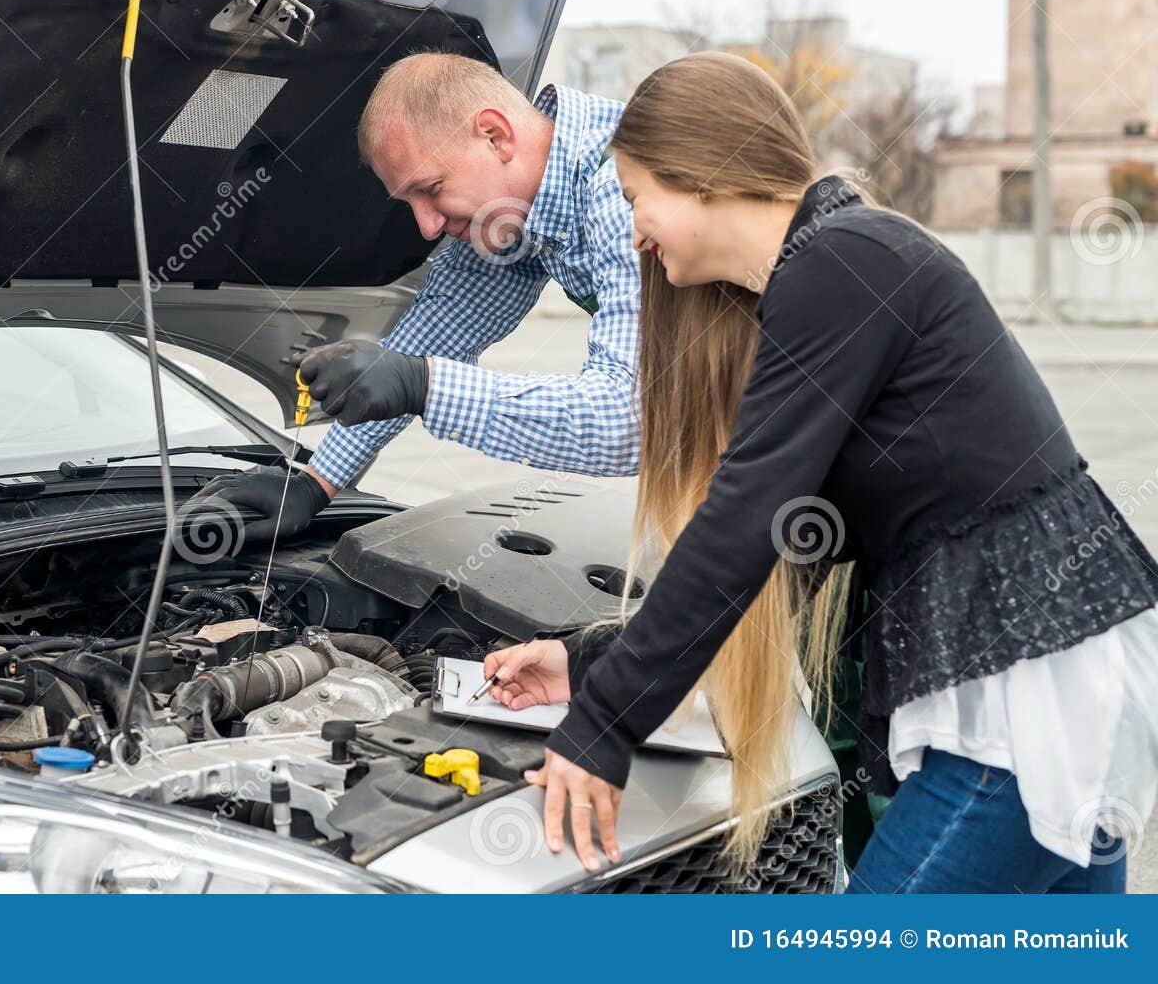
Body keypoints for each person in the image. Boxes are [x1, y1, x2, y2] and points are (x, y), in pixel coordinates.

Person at [485, 51, 1158, 891]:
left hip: (1012, 695)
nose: (632, 231)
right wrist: (591, 664)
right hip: (1043, 668)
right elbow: (780, 554)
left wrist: (603, 727)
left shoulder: (843, 261)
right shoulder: (831, 273)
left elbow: (743, 514)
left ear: (699, 174)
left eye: (634, 197)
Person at [186, 52, 643, 541]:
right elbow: (438, 333)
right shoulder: (515, 208)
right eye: (410, 203)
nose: (427, 226)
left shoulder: (624, 188)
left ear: (495, 135)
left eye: (431, 189)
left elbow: (633, 421)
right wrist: (315, 483)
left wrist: (425, 386)